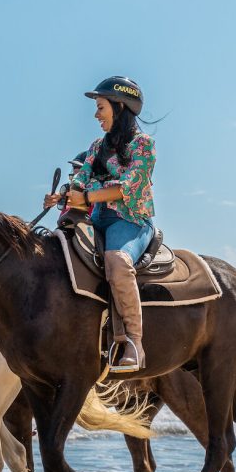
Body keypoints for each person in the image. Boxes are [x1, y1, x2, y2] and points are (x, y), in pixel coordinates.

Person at [44, 76, 155, 373]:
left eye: (101, 107)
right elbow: (79, 181)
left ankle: (133, 341)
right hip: (95, 221)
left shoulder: (144, 146)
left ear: (119, 107)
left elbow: (125, 188)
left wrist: (86, 194)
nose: (96, 115)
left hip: (130, 221)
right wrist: (65, 195)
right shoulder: (96, 147)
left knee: (116, 262)